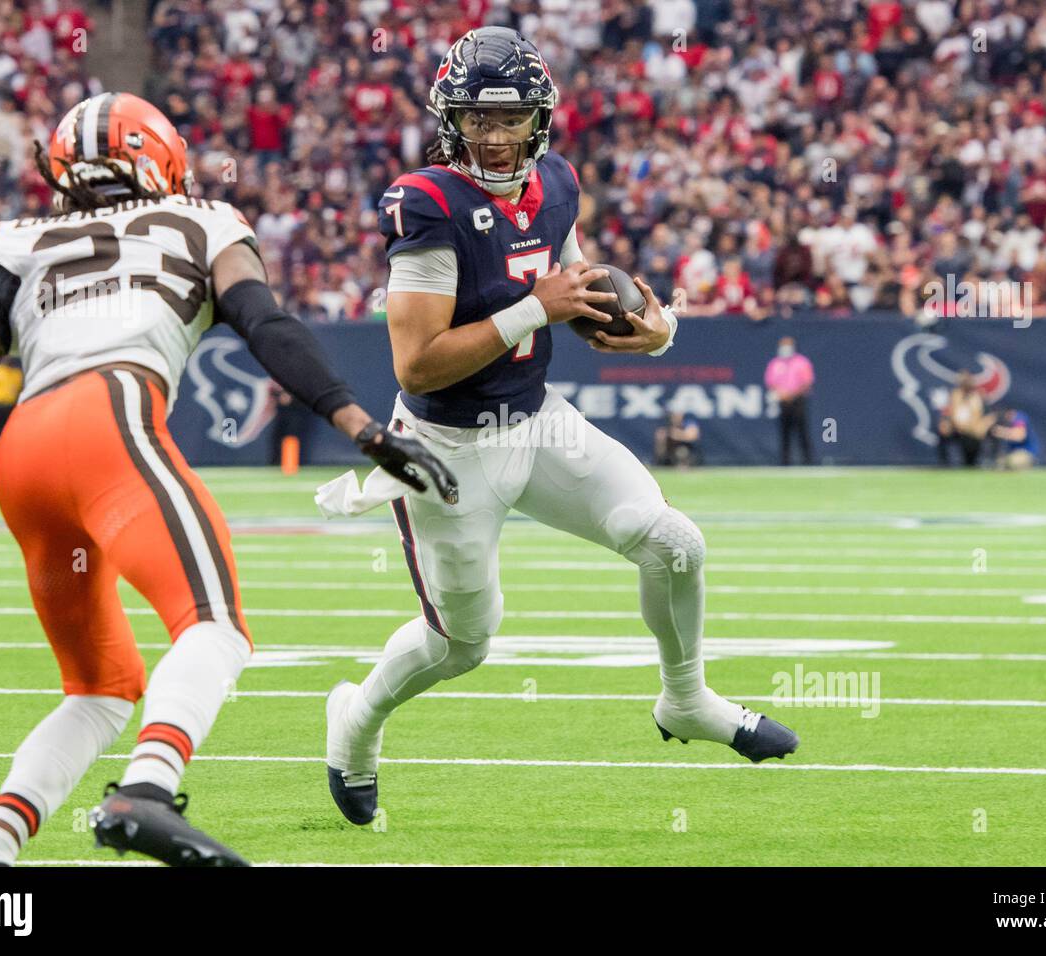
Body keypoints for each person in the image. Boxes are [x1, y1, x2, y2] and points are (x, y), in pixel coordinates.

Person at [0, 93, 455, 866]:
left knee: (101, 686)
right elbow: (265, 323)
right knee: (212, 625)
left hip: (23, 457)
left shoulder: (25, 240)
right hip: (106, 418)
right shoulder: (203, 220)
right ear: (161, 159)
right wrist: (357, 423)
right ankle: (146, 793)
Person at [321, 27, 798, 827]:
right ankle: (356, 722)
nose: (496, 136)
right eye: (477, 118)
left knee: (674, 541)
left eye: (510, 119)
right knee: (462, 644)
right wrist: (532, 309)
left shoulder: (556, 185)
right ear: (451, 120)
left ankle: (686, 700)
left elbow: (572, 287)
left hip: (537, 422)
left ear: (539, 120)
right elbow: (418, 364)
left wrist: (655, 327)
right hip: (445, 448)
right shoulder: (430, 205)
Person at [764, 336, 814, 465]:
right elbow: (770, 382)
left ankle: (807, 461)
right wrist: (782, 394)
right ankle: (785, 462)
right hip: (782, 401)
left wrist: (792, 394)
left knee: (802, 431)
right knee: (784, 433)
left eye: (787, 345)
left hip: (798, 400)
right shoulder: (775, 363)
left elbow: (807, 381)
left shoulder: (802, 362)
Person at [937, 371, 991, 466]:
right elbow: (949, 413)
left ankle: (974, 462)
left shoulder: (976, 397)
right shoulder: (955, 395)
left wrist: (975, 427)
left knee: (976, 437)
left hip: (972, 430)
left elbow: (981, 416)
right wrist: (947, 423)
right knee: (943, 430)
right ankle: (945, 463)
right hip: (956, 428)